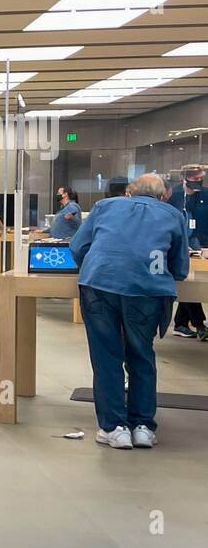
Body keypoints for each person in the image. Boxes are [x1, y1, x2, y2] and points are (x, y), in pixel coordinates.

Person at [71, 173, 190, 450]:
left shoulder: (105, 207)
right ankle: (143, 426)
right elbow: (181, 268)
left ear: (128, 193)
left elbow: (78, 246)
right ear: (163, 196)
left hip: (99, 285)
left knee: (106, 357)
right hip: (148, 290)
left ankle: (114, 428)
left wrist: (97, 264)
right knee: (141, 356)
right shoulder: (173, 216)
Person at [170, 164, 206, 339]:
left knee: (192, 284)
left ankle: (181, 323)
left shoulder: (205, 195)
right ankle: (199, 324)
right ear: (184, 178)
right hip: (177, 244)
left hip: (200, 243)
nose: (199, 182)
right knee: (186, 282)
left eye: (201, 178)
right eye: (196, 179)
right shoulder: (173, 195)